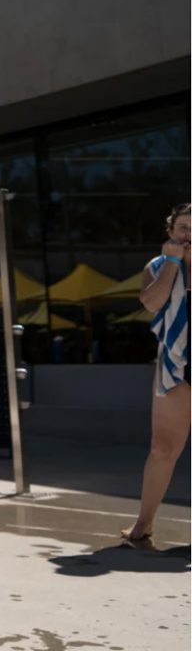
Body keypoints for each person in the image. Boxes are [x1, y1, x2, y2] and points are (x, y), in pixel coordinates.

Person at [123, 203, 190, 543]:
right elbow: (151, 303)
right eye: (183, 228)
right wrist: (174, 264)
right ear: (171, 232)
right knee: (162, 448)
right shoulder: (158, 266)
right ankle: (144, 523)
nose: (189, 235)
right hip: (177, 363)